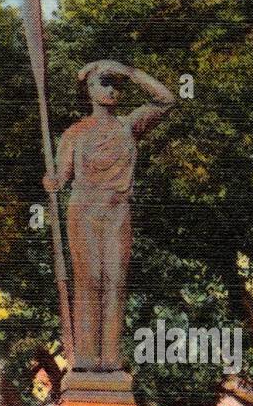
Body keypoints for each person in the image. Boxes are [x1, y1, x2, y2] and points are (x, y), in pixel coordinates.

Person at [45, 59, 175, 371]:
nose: (112, 89)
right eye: (104, 82)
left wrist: (128, 71)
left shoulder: (129, 126)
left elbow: (167, 100)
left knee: (115, 282)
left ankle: (110, 359)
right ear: (89, 90)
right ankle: (86, 358)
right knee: (89, 281)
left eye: (115, 84)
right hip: (84, 208)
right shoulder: (74, 134)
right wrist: (51, 182)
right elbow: (61, 178)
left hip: (118, 209)